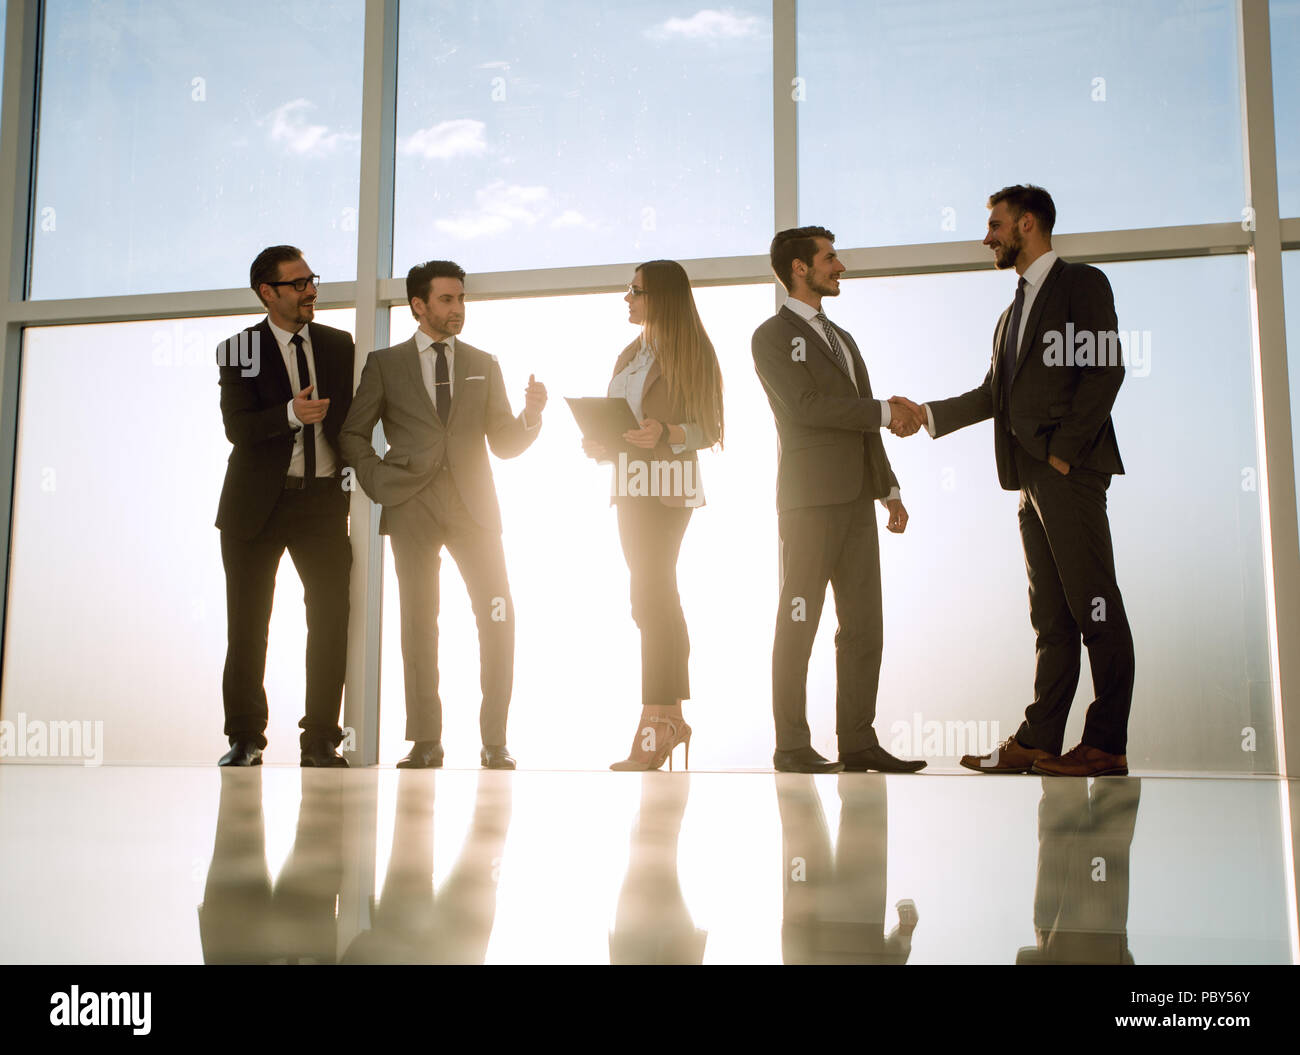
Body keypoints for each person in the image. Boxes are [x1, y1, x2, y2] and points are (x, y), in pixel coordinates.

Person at [891, 184, 1134, 778]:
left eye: (995, 225)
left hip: (1068, 474)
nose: (987, 238)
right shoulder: (1009, 315)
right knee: (1051, 618)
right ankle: (1039, 739)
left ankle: (1105, 744)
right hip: (1029, 482)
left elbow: (1106, 369)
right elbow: (991, 395)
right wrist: (927, 415)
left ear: (1027, 224)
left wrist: (1063, 456)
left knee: (1096, 606)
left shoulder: (1082, 284)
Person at [339, 260, 546, 770]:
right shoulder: (385, 364)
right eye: (447, 300)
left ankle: (495, 741)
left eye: (461, 299)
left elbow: (504, 443)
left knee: (498, 614)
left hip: (474, 507)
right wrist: (380, 480)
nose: (458, 309)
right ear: (419, 305)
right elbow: (352, 433)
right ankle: (426, 741)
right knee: (418, 620)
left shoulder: (484, 362)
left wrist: (531, 416)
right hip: (412, 504)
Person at [751, 226, 925, 774]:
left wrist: (888, 488)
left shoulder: (843, 339)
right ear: (799, 268)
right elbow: (805, 406)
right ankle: (791, 745)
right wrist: (886, 411)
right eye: (830, 258)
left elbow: (862, 422)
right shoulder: (770, 336)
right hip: (808, 502)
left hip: (857, 500)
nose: (840, 266)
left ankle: (857, 742)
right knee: (798, 621)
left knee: (864, 624)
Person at [214, 245, 353, 768]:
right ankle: (245, 738)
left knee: (331, 620)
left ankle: (320, 740)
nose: (310, 291)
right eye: (298, 284)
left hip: (322, 503)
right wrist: (291, 414)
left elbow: (354, 420)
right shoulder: (239, 349)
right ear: (267, 292)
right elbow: (238, 428)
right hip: (256, 509)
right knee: (248, 624)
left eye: (312, 280)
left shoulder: (339, 345)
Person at [582, 260, 724, 771]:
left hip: (668, 486)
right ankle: (670, 719)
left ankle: (655, 721)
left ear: (660, 296)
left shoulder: (694, 351)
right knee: (651, 597)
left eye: (636, 290)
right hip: (629, 484)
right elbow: (622, 422)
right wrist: (601, 443)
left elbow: (710, 428)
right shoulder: (629, 353)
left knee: (651, 593)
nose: (627, 298)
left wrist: (667, 433)